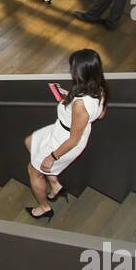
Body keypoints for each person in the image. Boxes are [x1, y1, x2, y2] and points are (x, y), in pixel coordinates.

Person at [23, 49, 108, 218]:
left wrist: (52, 157)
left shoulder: (80, 104)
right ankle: (54, 184)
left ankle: (44, 207)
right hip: (63, 130)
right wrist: (69, 99)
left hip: (64, 140)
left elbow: (74, 139)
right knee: (30, 141)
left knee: (33, 170)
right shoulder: (100, 89)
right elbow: (101, 114)